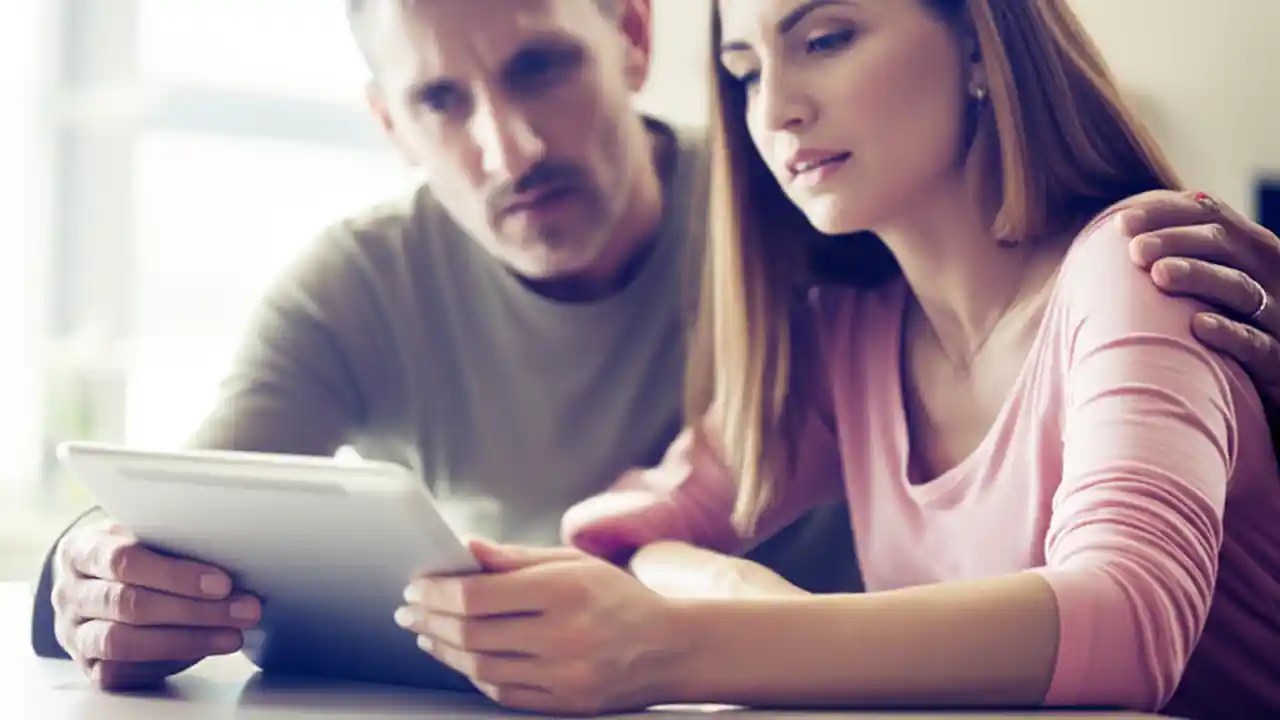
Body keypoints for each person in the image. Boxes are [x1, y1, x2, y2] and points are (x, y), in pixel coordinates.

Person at [33, 0, 1280, 699]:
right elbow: (615, 532)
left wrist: (681, 639)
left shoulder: (1135, 260)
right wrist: (717, 585)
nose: (776, 108)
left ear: (973, 38)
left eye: (826, 35)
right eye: (743, 65)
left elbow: (1123, 629)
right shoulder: (839, 334)